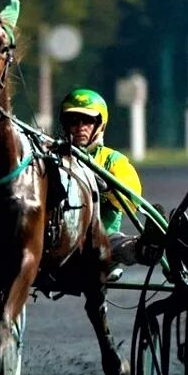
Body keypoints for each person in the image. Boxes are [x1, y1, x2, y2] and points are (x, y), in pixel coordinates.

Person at [57, 88, 151, 265]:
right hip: (56, 240)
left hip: (101, 241)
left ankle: (144, 249)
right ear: (64, 123)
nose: (80, 127)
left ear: (100, 124)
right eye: (73, 120)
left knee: (120, 246)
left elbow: (133, 201)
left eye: (88, 121)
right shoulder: (52, 155)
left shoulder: (112, 160)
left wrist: (107, 188)